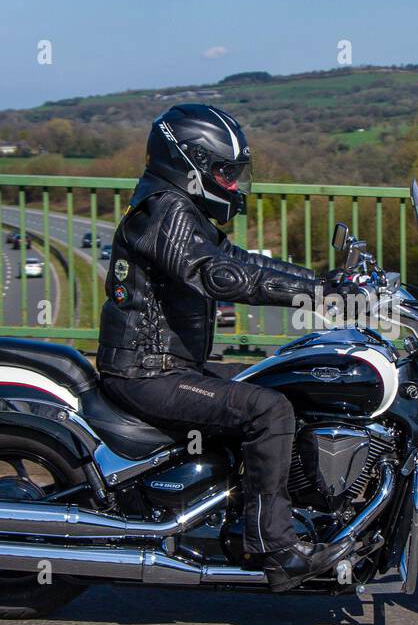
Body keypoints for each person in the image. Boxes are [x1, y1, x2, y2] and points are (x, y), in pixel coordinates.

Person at [97, 103, 355, 592]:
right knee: (269, 411)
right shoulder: (165, 211)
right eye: (223, 172)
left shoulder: (176, 208)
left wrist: (321, 281)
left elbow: (234, 258)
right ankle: (275, 549)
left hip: (167, 367)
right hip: (148, 374)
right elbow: (216, 273)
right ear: (188, 164)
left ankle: (241, 518)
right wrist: (321, 295)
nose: (232, 185)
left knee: (274, 390)